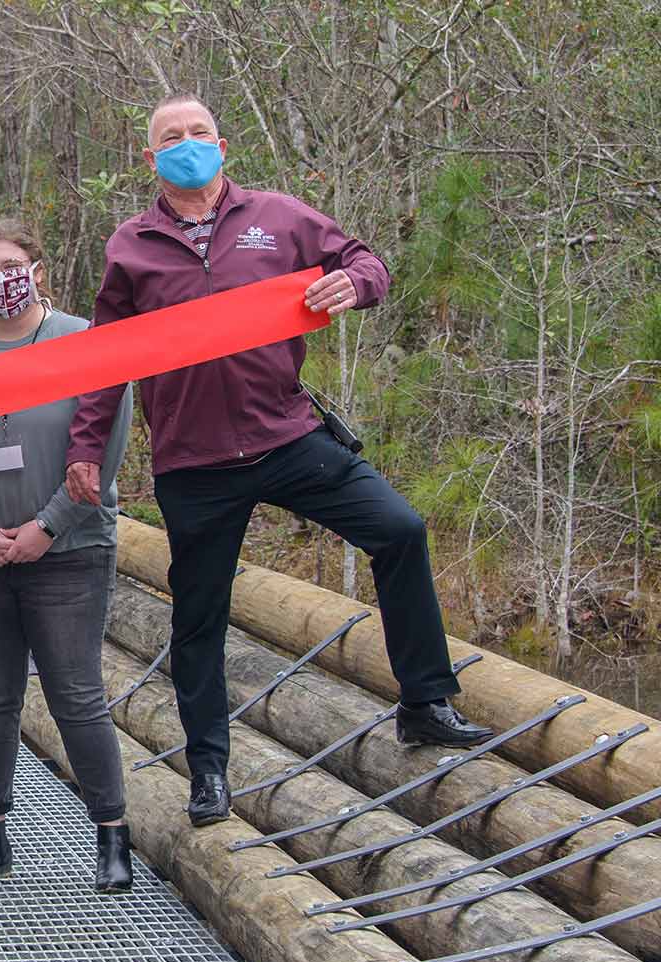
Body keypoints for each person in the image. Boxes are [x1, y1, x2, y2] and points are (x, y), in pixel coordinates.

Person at [65, 93, 493, 829]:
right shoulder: (130, 247)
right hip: (193, 463)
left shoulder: (279, 217)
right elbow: (106, 361)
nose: (188, 144)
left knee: (400, 530)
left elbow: (366, 262)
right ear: (150, 158)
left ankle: (425, 701)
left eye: (199, 132)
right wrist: (84, 448)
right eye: (173, 137)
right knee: (199, 616)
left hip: (287, 437)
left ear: (222, 145)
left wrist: (355, 284)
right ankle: (208, 770)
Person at [0, 218, 134, 892]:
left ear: (37, 269)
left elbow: (106, 448)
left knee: (75, 694)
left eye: (9, 265)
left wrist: (47, 526)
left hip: (69, 550)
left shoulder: (84, 342)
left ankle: (112, 835)